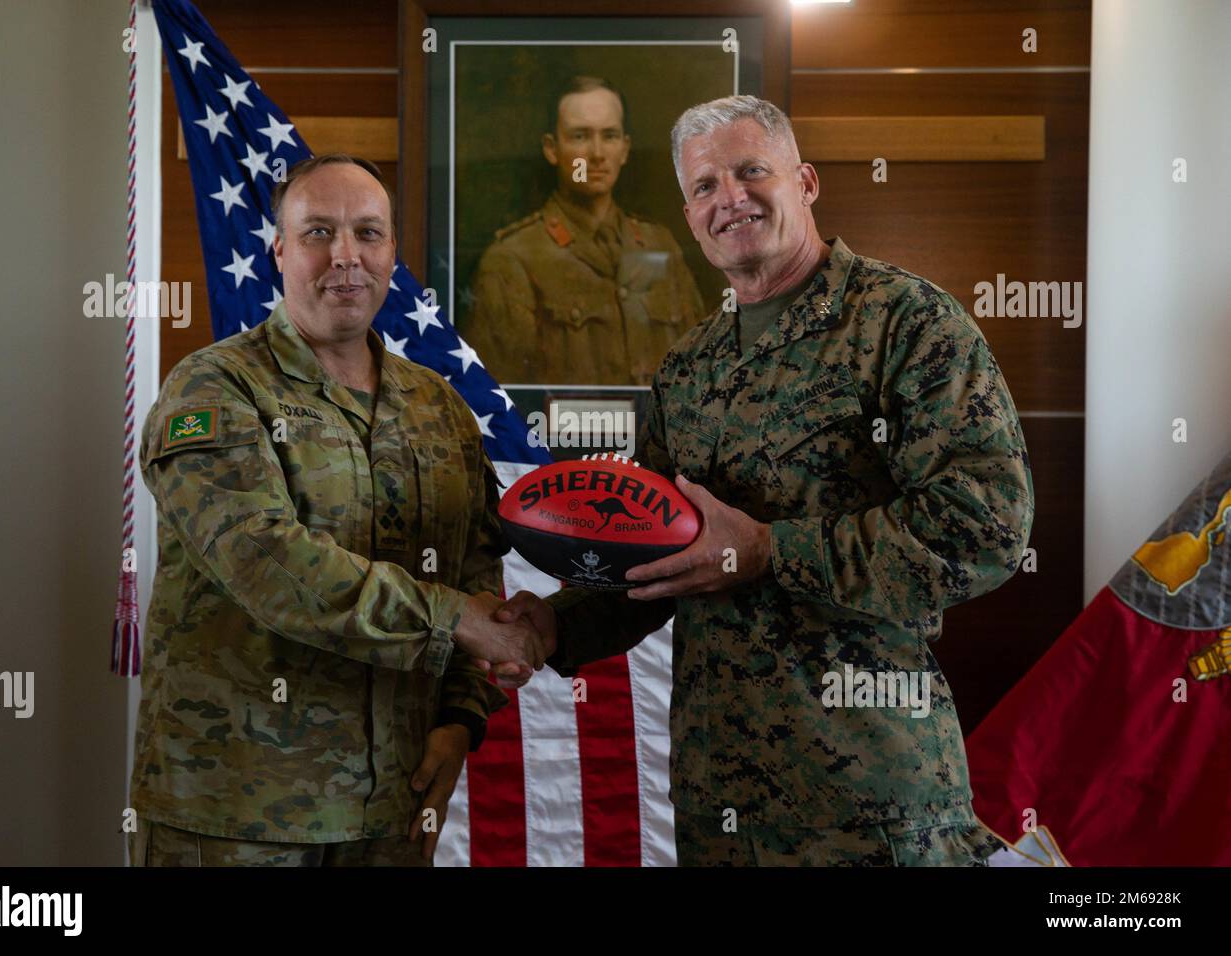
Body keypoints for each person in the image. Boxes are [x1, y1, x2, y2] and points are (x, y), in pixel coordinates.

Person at [492, 96, 1035, 866]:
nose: (731, 199)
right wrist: (553, 627)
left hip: (868, 799)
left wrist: (769, 551)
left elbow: (986, 531)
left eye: (752, 172)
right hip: (721, 803)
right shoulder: (688, 368)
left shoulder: (908, 325)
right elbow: (651, 555)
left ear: (806, 182)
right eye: (706, 186)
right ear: (689, 215)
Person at [129, 155, 546, 867]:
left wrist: (459, 720)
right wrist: (456, 620)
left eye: (368, 233)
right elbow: (267, 563)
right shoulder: (213, 388)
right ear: (280, 251)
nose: (345, 257)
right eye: (319, 231)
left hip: (392, 813)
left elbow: (478, 569)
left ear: (392, 253)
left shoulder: (438, 407)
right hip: (238, 818)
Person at [462, 75, 705, 386]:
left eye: (610, 136)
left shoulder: (660, 245)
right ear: (552, 149)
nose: (597, 153)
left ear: (625, 149)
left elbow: (699, 369)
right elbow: (498, 401)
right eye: (580, 136)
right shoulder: (512, 258)